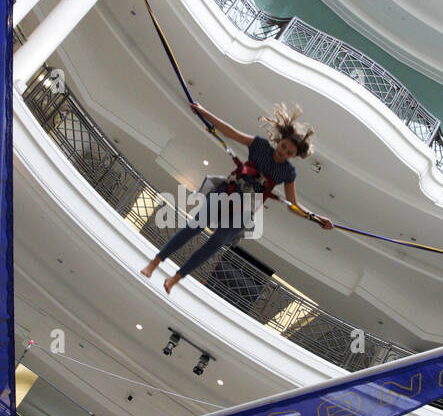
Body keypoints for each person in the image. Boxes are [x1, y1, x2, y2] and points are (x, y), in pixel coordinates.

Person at [141, 101, 333, 294]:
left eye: (289, 153)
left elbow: (293, 206)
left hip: (245, 209)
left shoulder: (288, 172)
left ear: (295, 156)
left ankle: (175, 278)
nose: (283, 153)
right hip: (228, 192)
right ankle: (154, 262)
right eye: (283, 147)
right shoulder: (259, 145)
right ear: (280, 140)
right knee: (195, 225)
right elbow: (230, 132)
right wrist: (204, 112)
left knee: (216, 243)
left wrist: (316, 219)